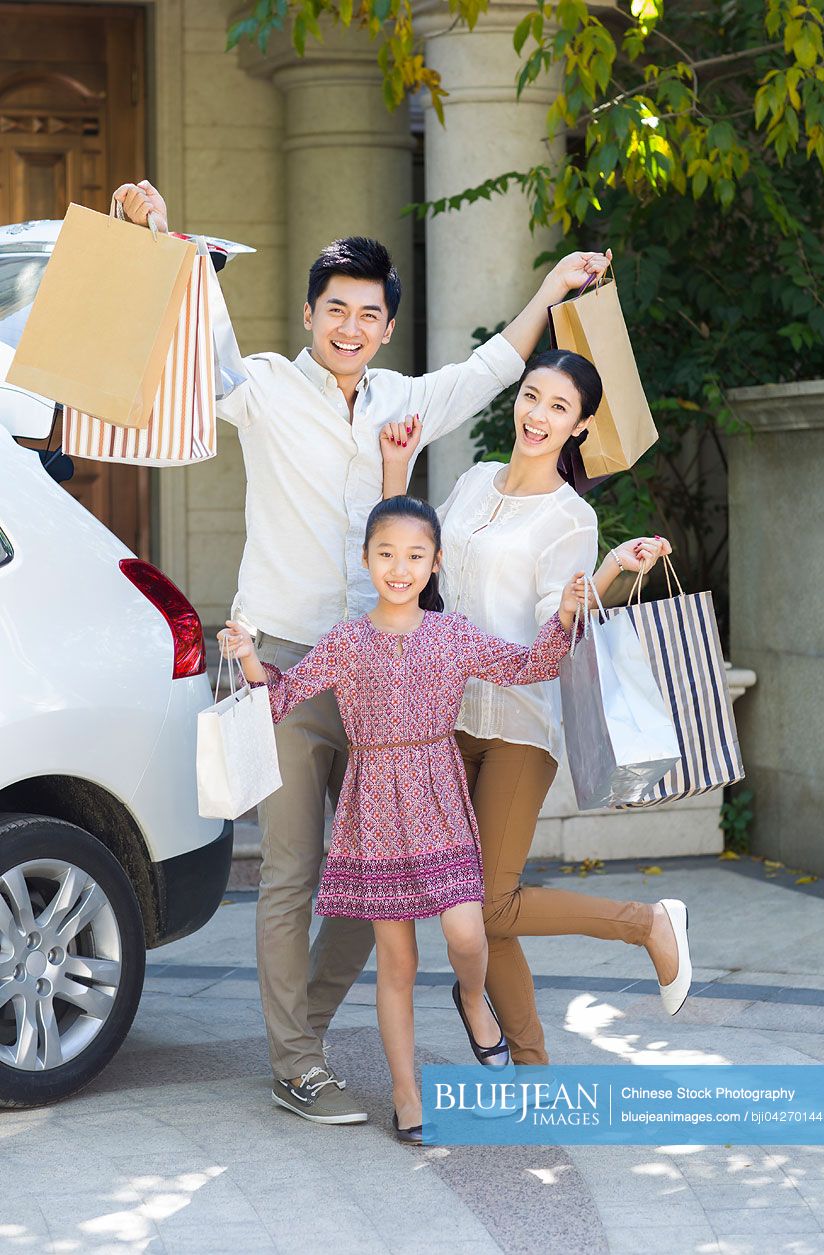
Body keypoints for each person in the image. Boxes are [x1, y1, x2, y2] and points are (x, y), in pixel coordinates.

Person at [113, 178, 612, 1124]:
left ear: (385, 327)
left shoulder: (404, 398)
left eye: (367, 313)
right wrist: (154, 234)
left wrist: (549, 292)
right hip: (292, 659)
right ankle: (297, 1062)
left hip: (393, 667)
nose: (349, 325)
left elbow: (496, 366)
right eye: (333, 308)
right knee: (294, 869)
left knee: (368, 884)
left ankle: (294, 1030)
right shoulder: (261, 387)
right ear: (309, 315)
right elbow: (194, 343)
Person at [219, 495, 587, 1141]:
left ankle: (472, 999)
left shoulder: (452, 633)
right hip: (375, 811)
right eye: (386, 553)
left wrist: (564, 612)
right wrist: (247, 653)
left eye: (414, 555)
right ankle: (405, 1091)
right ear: (366, 560)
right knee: (396, 963)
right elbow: (280, 699)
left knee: (467, 934)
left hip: (439, 801)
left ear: (435, 563)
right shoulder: (345, 643)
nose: (399, 566)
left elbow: (533, 665)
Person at [381, 348, 692, 1066]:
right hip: (446, 714)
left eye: (559, 407)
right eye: (531, 397)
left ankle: (646, 922)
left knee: (490, 902)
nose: (538, 415)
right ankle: (531, 1067)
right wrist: (396, 474)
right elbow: (421, 563)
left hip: (519, 720)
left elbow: (561, 607)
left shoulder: (568, 517)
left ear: (580, 426)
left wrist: (608, 571)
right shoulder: (472, 481)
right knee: (474, 909)